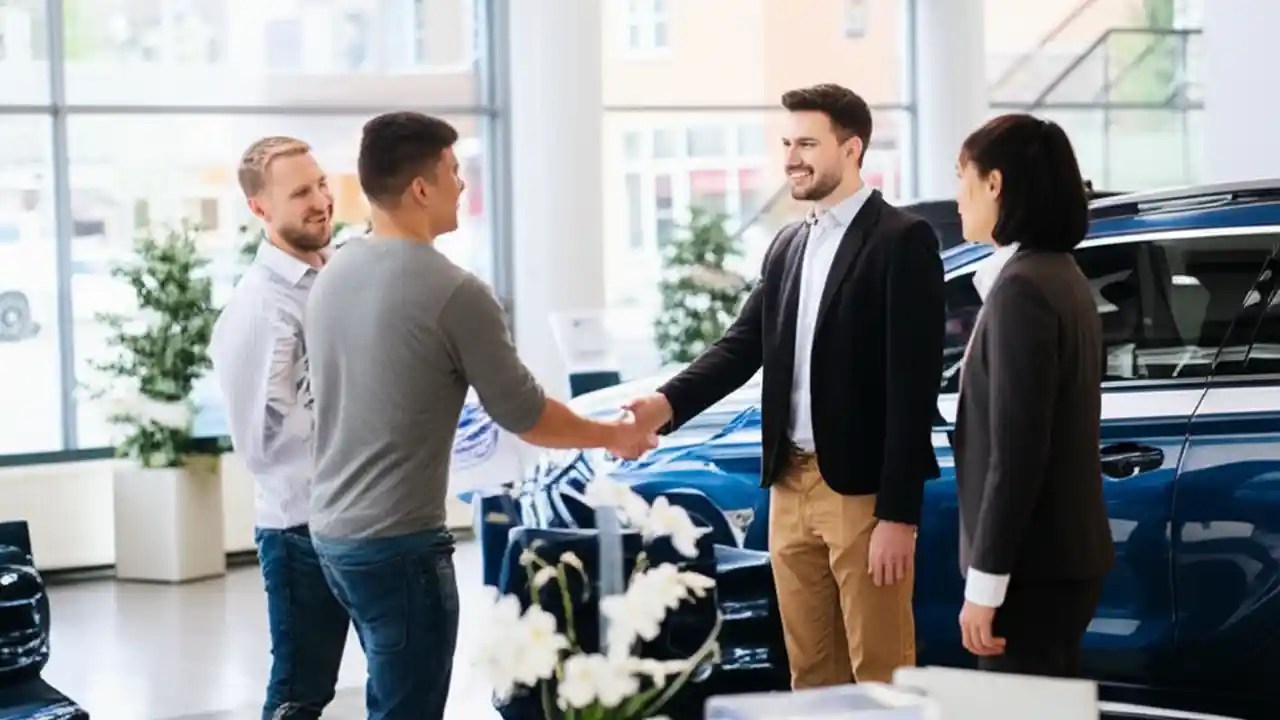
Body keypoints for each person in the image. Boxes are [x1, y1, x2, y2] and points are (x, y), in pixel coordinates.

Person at [303, 111, 657, 720]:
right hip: (398, 543)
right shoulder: (453, 291)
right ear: (421, 187)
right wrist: (613, 436)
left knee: (388, 699)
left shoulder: (335, 272)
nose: (462, 185)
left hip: (333, 533)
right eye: (453, 171)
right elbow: (524, 412)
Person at [626, 83, 945, 688]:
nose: (791, 158)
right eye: (786, 143)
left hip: (860, 493)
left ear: (851, 150)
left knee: (880, 671)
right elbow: (741, 347)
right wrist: (663, 406)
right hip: (789, 486)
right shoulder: (789, 243)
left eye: (806, 143)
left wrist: (898, 515)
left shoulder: (902, 240)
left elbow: (913, 388)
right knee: (808, 670)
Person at [951, 113, 1115, 676]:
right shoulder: (1058, 274)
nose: (958, 196)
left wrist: (986, 583)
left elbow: (1017, 454)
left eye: (961, 177)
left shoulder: (1023, 287)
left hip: (1030, 570)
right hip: (1057, 564)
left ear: (994, 183)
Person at [209, 136, 349, 720]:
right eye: (300, 193)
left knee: (401, 687)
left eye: (321, 184)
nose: (321, 201)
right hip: (301, 533)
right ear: (260, 209)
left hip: (359, 517)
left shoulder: (341, 274)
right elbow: (264, 443)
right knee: (300, 694)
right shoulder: (258, 308)